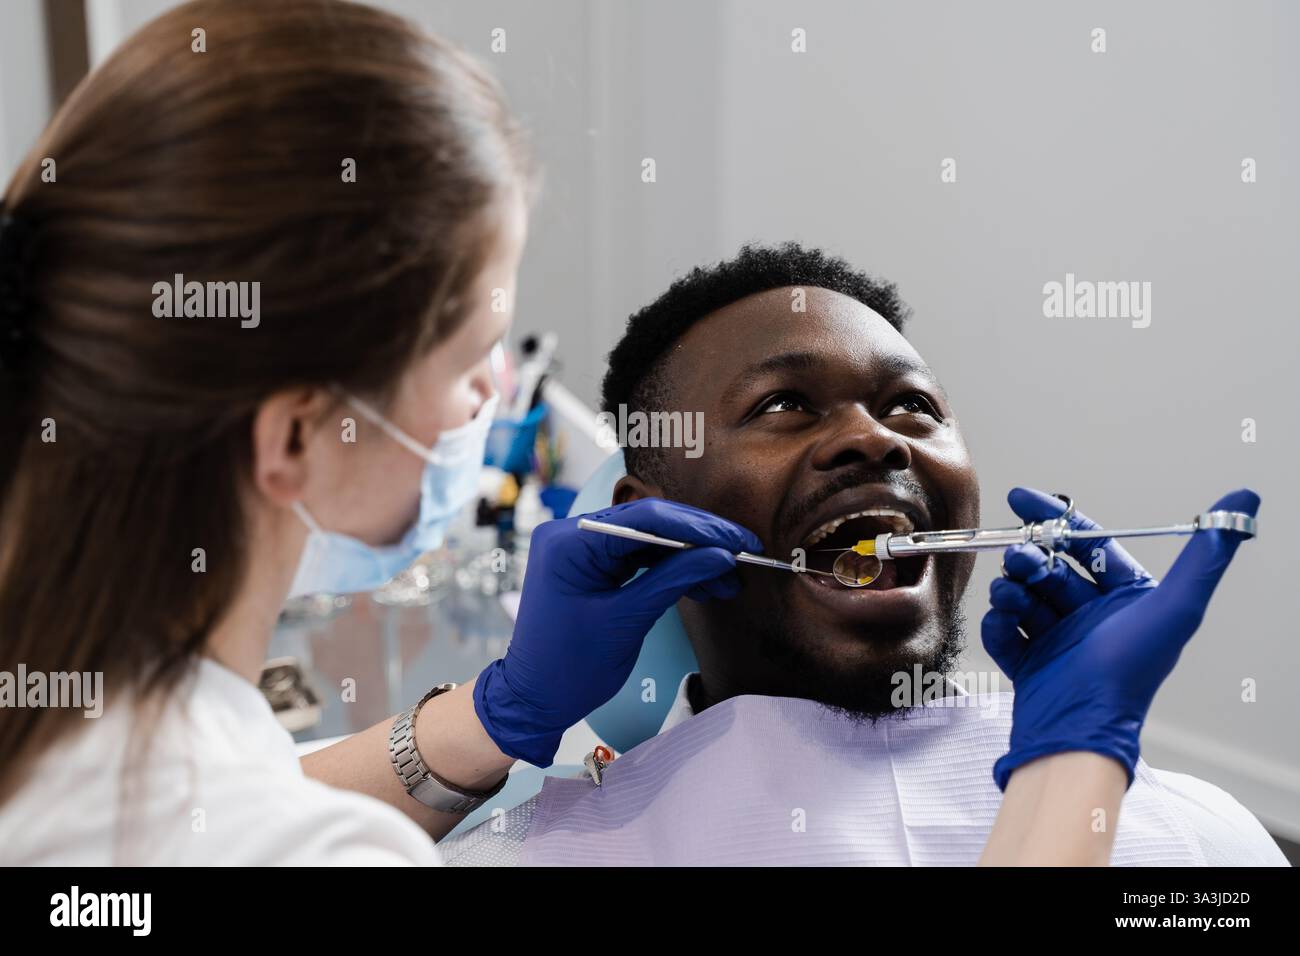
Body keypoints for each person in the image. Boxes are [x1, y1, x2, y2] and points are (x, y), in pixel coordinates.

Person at [437, 243, 1284, 866]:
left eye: (912, 404)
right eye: (784, 405)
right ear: (651, 520)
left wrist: (1077, 755)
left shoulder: (1199, 843)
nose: (875, 439)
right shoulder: (533, 858)